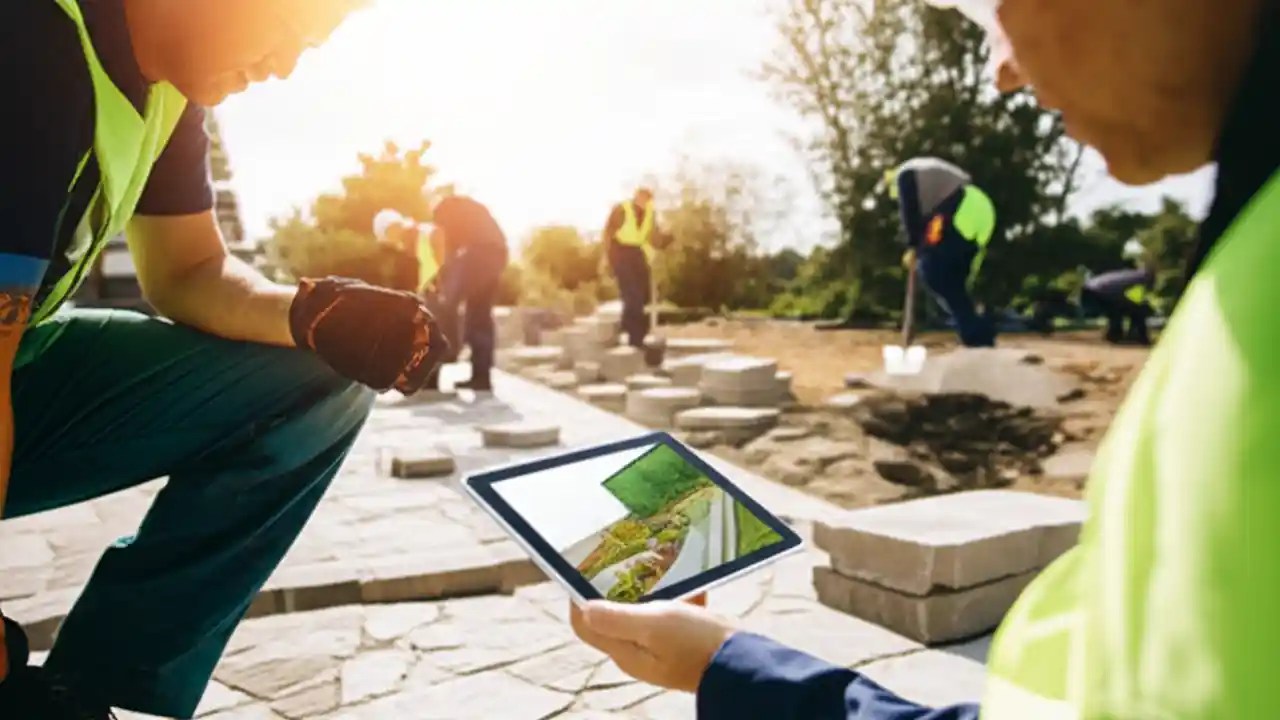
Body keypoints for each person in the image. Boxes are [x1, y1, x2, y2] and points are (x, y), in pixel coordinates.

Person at [571, 0, 1280, 717]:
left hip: (961, 223)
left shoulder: (1254, 298)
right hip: (971, 224)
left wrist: (921, 243)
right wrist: (732, 666)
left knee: (943, 279)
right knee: (949, 283)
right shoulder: (1246, 250)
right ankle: (974, 337)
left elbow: (919, 215)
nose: (1002, 69)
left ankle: (974, 341)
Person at [0, 2, 450, 718]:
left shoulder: (168, 92)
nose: (285, 66)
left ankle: (82, 693)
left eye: (307, 48)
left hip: (19, 368)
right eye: (286, 30)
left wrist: (312, 316)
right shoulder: (30, 42)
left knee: (316, 379)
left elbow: (189, 271)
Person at [886, 157, 998, 347]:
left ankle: (974, 332)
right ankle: (979, 333)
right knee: (953, 283)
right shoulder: (927, 177)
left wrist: (914, 246)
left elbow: (909, 213)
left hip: (962, 206)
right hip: (983, 211)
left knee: (931, 269)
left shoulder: (904, 175)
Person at [429, 193, 510, 393]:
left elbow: (448, 253)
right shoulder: (465, 207)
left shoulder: (444, 212)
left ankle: (439, 362)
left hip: (480, 253)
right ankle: (481, 377)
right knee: (479, 314)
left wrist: (442, 284)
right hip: (498, 254)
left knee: (447, 306)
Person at [602, 187, 672, 349]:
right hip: (620, 251)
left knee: (644, 293)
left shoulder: (649, 214)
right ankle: (635, 336)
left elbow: (654, 237)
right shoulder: (622, 209)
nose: (644, 202)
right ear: (636, 197)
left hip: (637, 254)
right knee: (632, 294)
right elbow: (608, 233)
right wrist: (607, 259)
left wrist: (666, 238)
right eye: (642, 198)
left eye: (647, 200)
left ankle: (627, 324)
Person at [1080, 240, 1156, 345]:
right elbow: (1137, 300)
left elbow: (1130, 297)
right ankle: (1135, 335)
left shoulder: (1133, 275)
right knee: (1137, 311)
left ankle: (1116, 334)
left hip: (1091, 289)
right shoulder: (1142, 278)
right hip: (1097, 292)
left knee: (1119, 310)